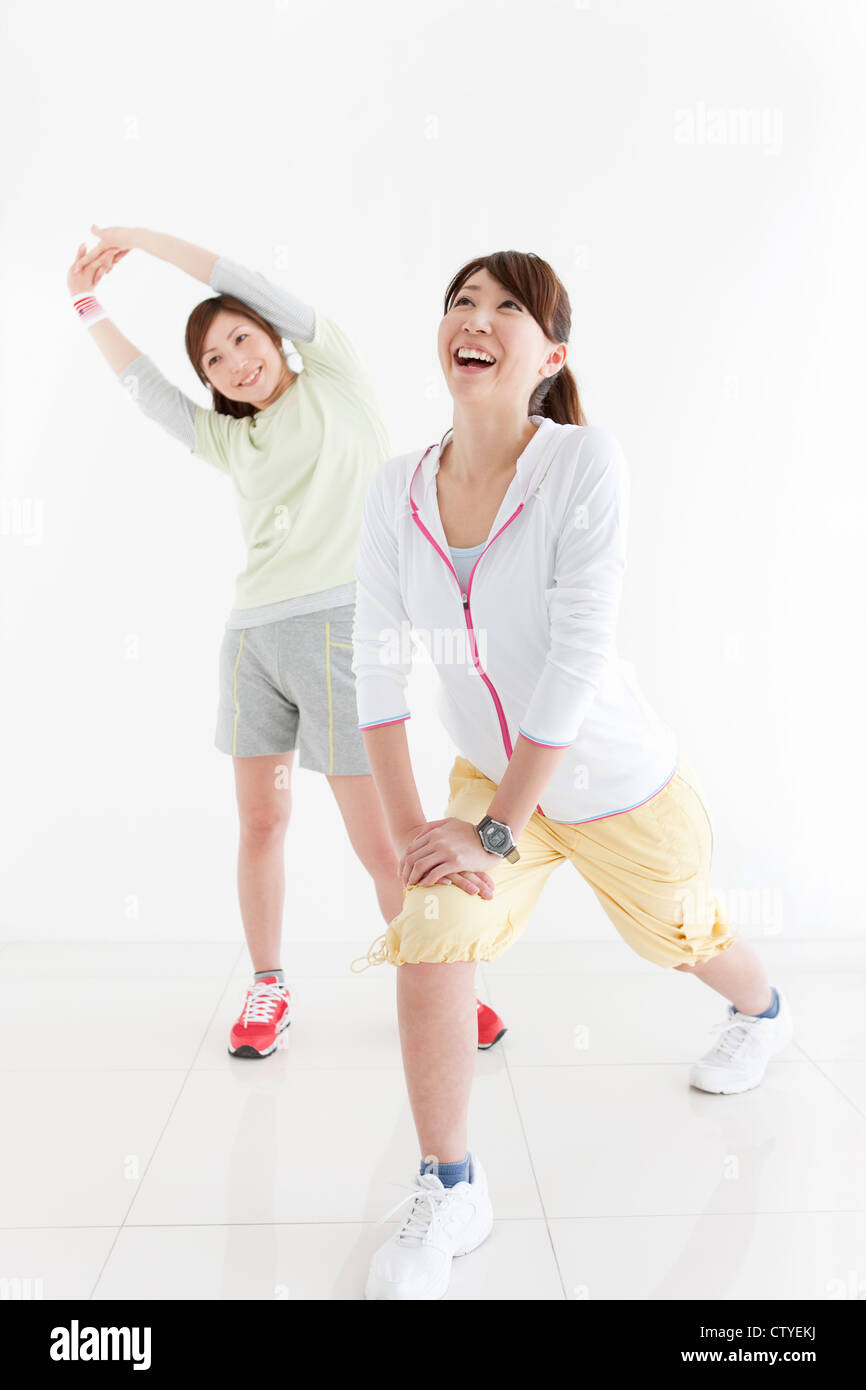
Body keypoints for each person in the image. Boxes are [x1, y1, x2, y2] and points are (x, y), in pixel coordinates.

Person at [351, 250, 794, 1301]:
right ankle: (449, 1184)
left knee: (682, 937)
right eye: (461, 300)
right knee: (433, 927)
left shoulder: (581, 464)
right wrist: (424, 834)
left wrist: (492, 831)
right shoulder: (394, 489)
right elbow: (371, 663)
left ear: (548, 357)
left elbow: (574, 659)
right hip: (486, 781)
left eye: (508, 307)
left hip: (613, 788)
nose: (476, 317)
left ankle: (764, 1009)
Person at [65, 225, 507, 1056]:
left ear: (273, 334)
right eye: (214, 362)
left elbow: (240, 276)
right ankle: (268, 987)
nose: (235, 361)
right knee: (261, 822)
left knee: (381, 843)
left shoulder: (334, 375)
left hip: (342, 639)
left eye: (242, 337)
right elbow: (148, 391)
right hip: (253, 647)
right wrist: (87, 303)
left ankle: (447, 977)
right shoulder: (230, 438)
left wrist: (142, 244)